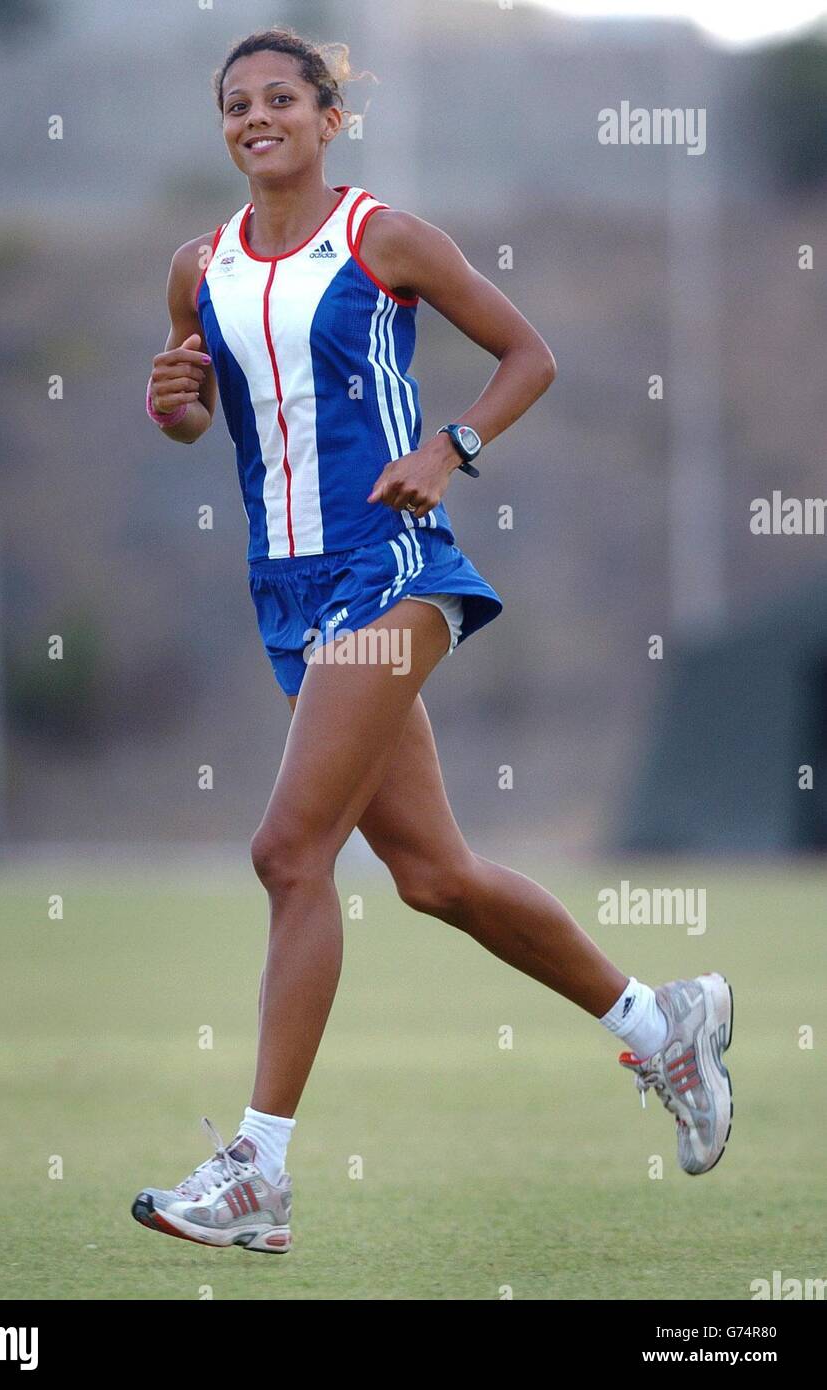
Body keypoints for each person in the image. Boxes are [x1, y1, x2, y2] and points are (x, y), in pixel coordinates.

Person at [133, 27, 733, 1255]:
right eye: (236, 104)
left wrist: (451, 448)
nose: (257, 118)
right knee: (434, 879)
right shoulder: (197, 268)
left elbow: (530, 354)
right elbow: (200, 422)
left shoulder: (381, 236)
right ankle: (660, 1021)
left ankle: (261, 1170)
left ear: (326, 117)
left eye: (282, 99)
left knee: (286, 850)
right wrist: (175, 409)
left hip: (392, 571)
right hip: (288, 592)